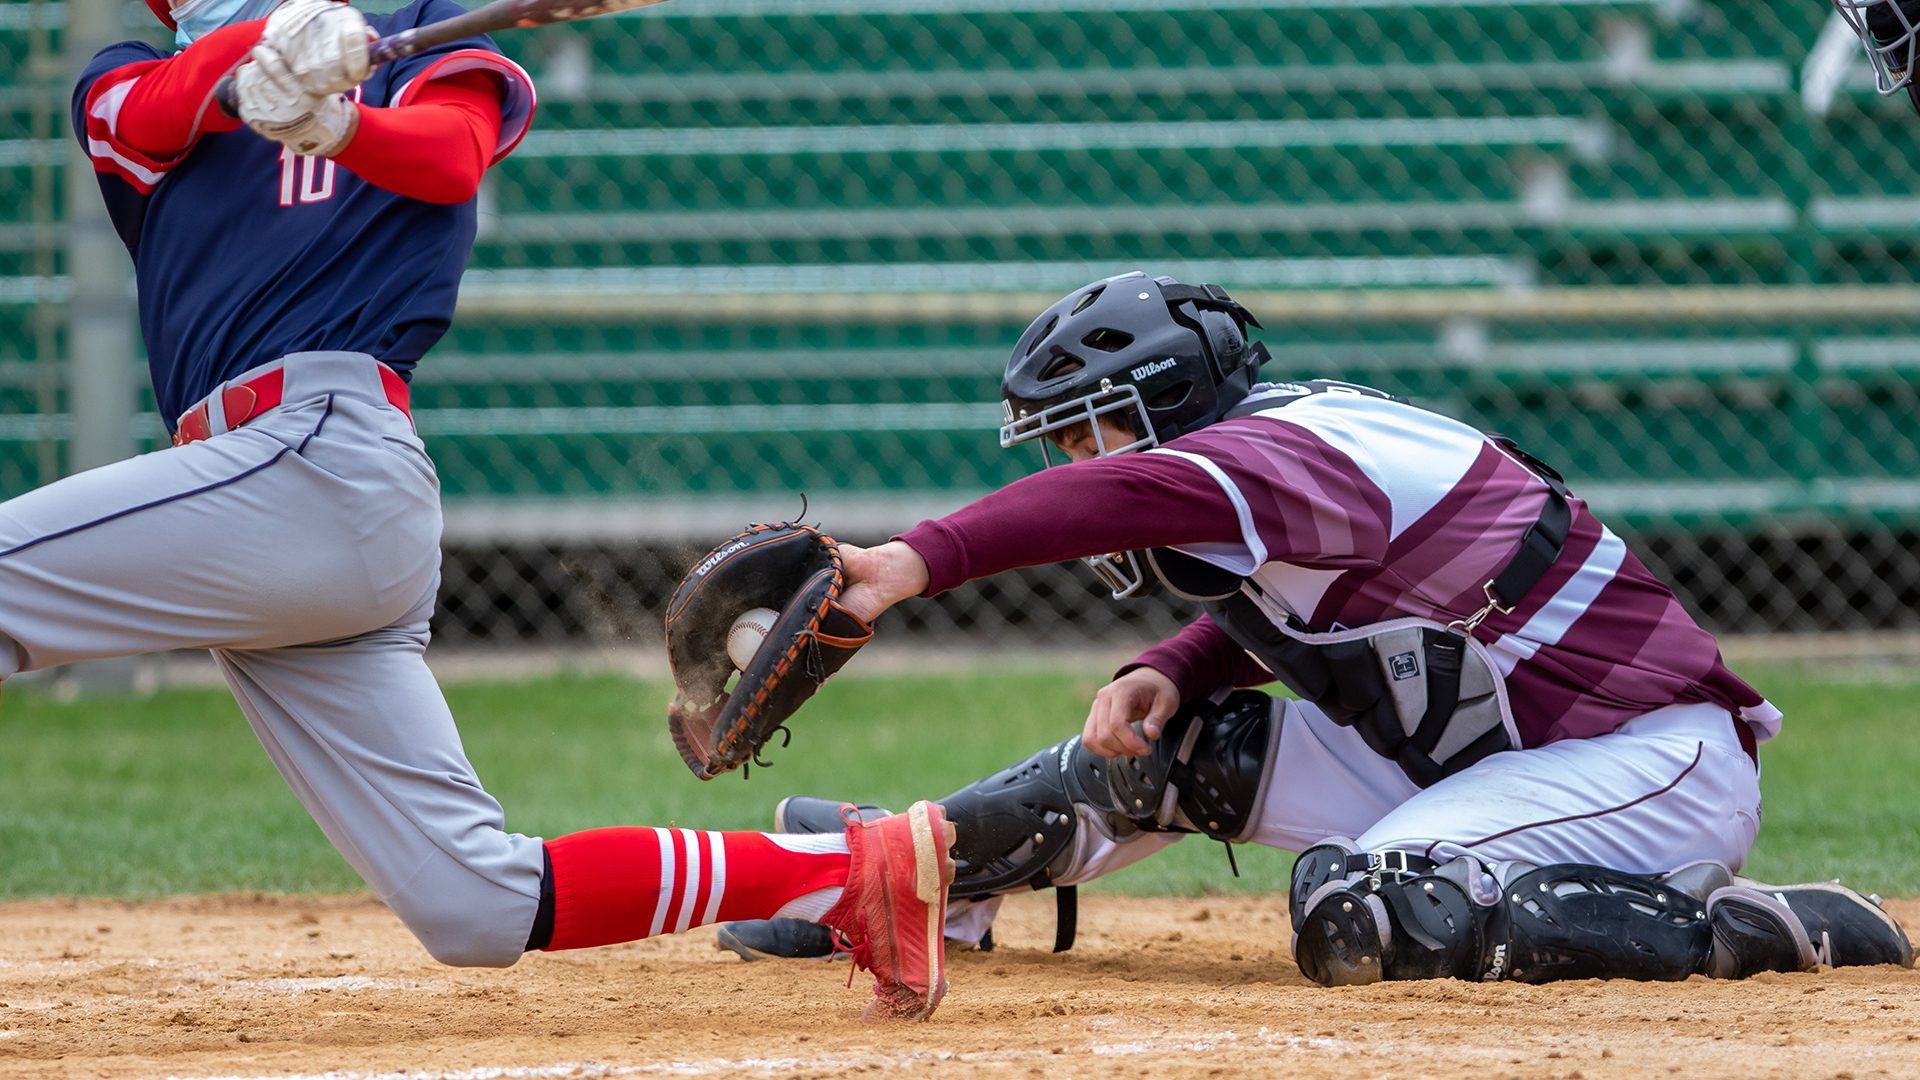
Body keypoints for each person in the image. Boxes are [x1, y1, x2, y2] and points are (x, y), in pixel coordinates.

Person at [44, 0, 955, 1021]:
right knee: (472, 902)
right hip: (250, 507)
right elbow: (154, 112)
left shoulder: (418, 26)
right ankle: (851, 870)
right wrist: (267, 46)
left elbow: (450, 157)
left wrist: (341, 124)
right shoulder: (123, 73)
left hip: (315, 451)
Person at [717, 271, 1913, 985]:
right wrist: (1179, 663)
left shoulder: (1290, 449)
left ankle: (1741, 933)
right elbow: (1342, 609)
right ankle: (912, 882)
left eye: (1090, 432)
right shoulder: (1287, 453)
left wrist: (911, 561)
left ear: (1171, 403)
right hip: (1499, 759)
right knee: (1181, 748)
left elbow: (1124, 498)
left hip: (1650, 764)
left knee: (1369, 909)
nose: (1076, 464)